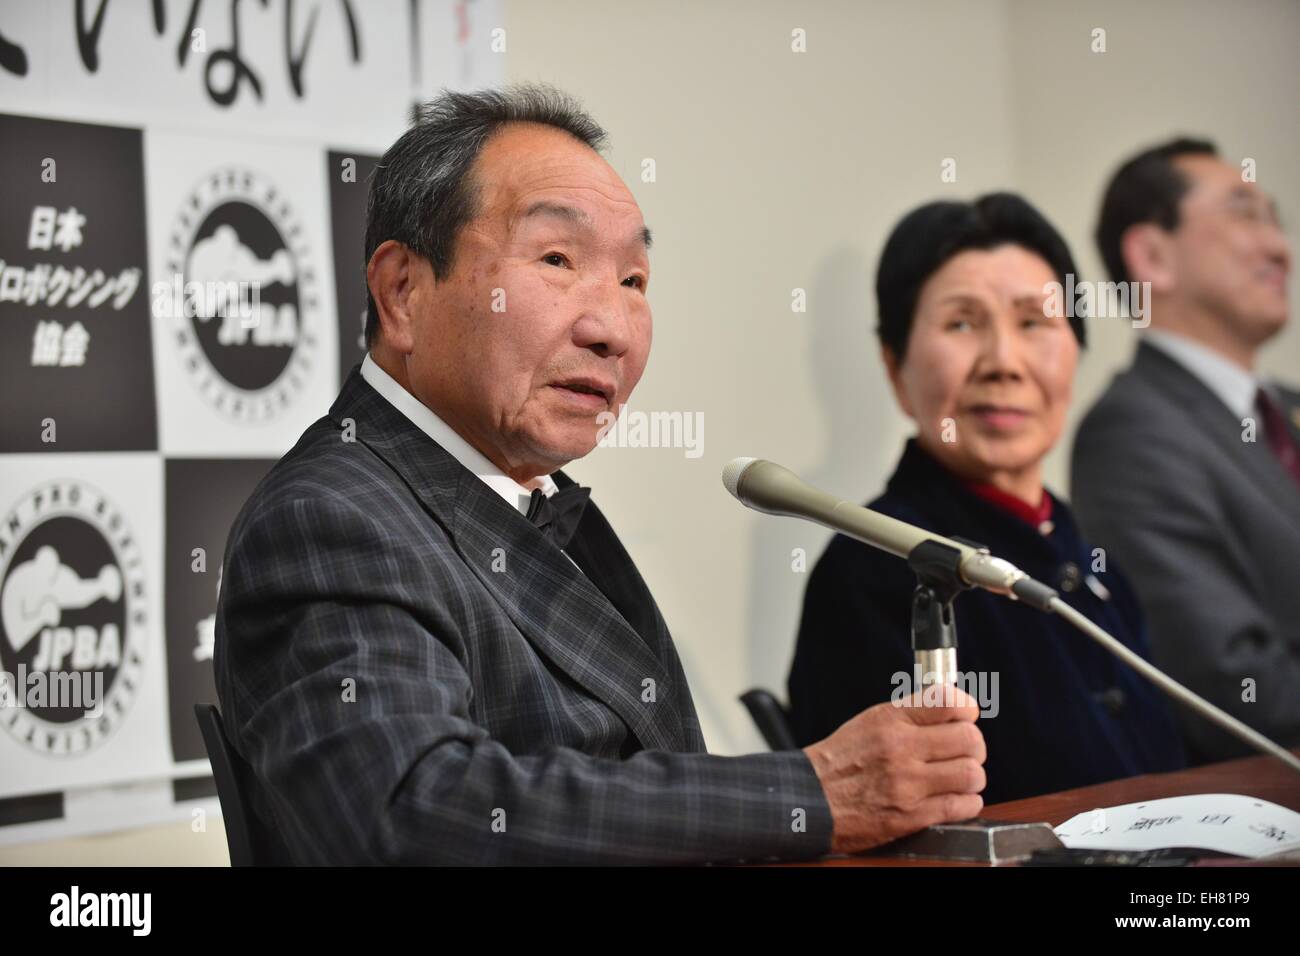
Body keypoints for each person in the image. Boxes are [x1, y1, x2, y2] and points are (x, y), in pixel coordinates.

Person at [213, 85, 987, 865]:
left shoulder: (525, 495)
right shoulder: (332, 515)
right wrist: (809, 796)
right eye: (557, 259)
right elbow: (415, 814)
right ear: (403, 292)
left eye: (634, 281)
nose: (612, 328)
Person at [787, 194, 1186, 805]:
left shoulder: (1091, 559)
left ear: (1076, 350)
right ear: (895, 367)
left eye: (1034, 322)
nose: (1004, 362)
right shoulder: (875, 568)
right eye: (962, 323)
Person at [1072, 137, 1300, 764]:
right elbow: (1234, 688)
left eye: (1276, 220)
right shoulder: (1132, 434)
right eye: (1244, 213)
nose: (1280, 246)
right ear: (1152, 256)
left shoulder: (1287, 408)